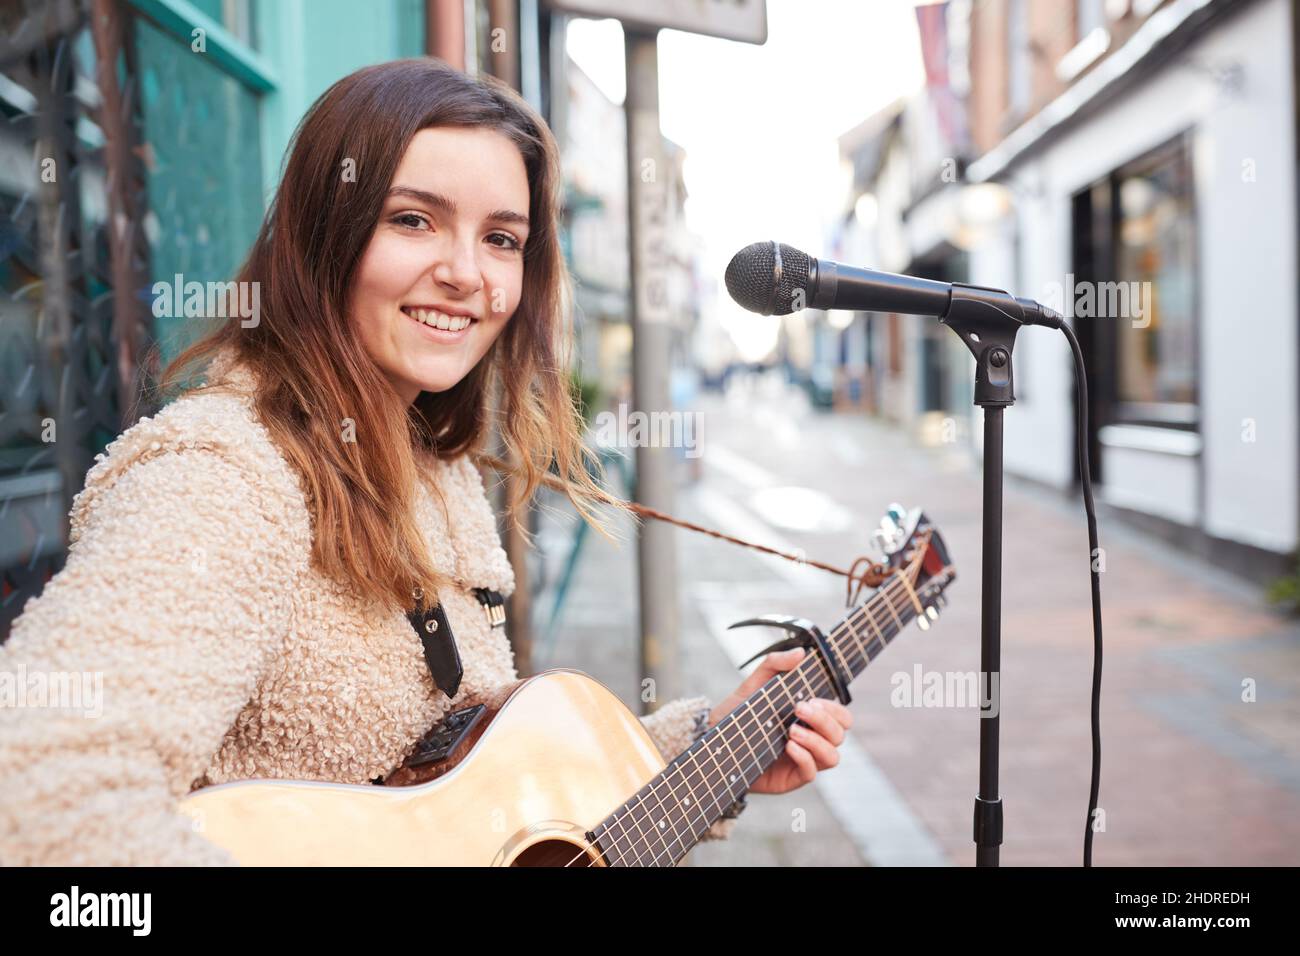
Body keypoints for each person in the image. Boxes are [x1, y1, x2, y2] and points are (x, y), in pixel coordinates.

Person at [0, 58, 851, 866]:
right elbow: (35, 801)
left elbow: (477, 800)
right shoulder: (222, 478)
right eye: (414, 220)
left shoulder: (433, 470)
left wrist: (707, 753)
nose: (466, 275)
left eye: (502, 239)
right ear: (324, 233)